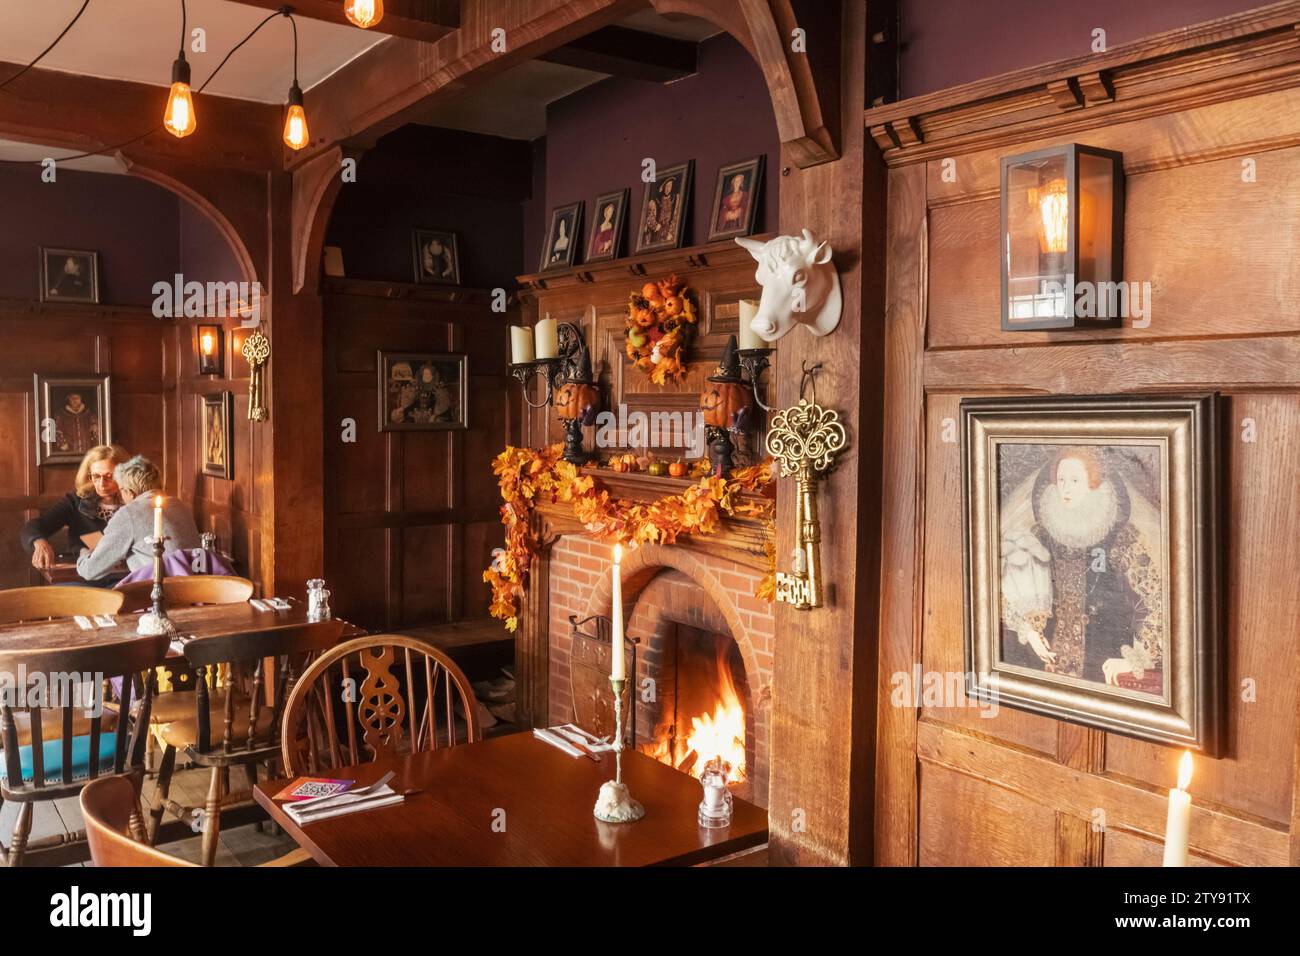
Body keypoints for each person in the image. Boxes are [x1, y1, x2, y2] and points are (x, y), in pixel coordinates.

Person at [77, 455, 201, 581]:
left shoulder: (128, 513)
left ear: (130, 492)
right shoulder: (179, 505)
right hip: (200, 588)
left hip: (161, 593)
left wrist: (84, 553)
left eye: (121, 491)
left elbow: (89, 571)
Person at [21, 444, 129, 582]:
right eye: (96, 476)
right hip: (83, 578)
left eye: (110, 476)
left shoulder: (135, 503)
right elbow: (34, 526)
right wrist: (38, 541)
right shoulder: (76, 501)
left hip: (124, 578)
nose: (102, 483)